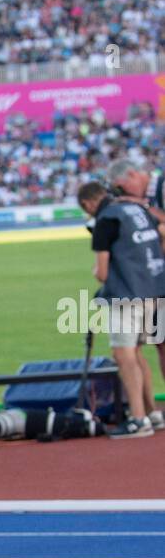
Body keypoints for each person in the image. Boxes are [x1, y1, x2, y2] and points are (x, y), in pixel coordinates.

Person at [77, 181, 165, 437]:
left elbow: (102, 273)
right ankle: (152, 414)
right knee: (137, 354)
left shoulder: (105, 220)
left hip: (126, 296)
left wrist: (97, 272)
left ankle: (138, 419)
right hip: (154, 290)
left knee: (124, 355)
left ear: (88, 203)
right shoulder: (135, 210)